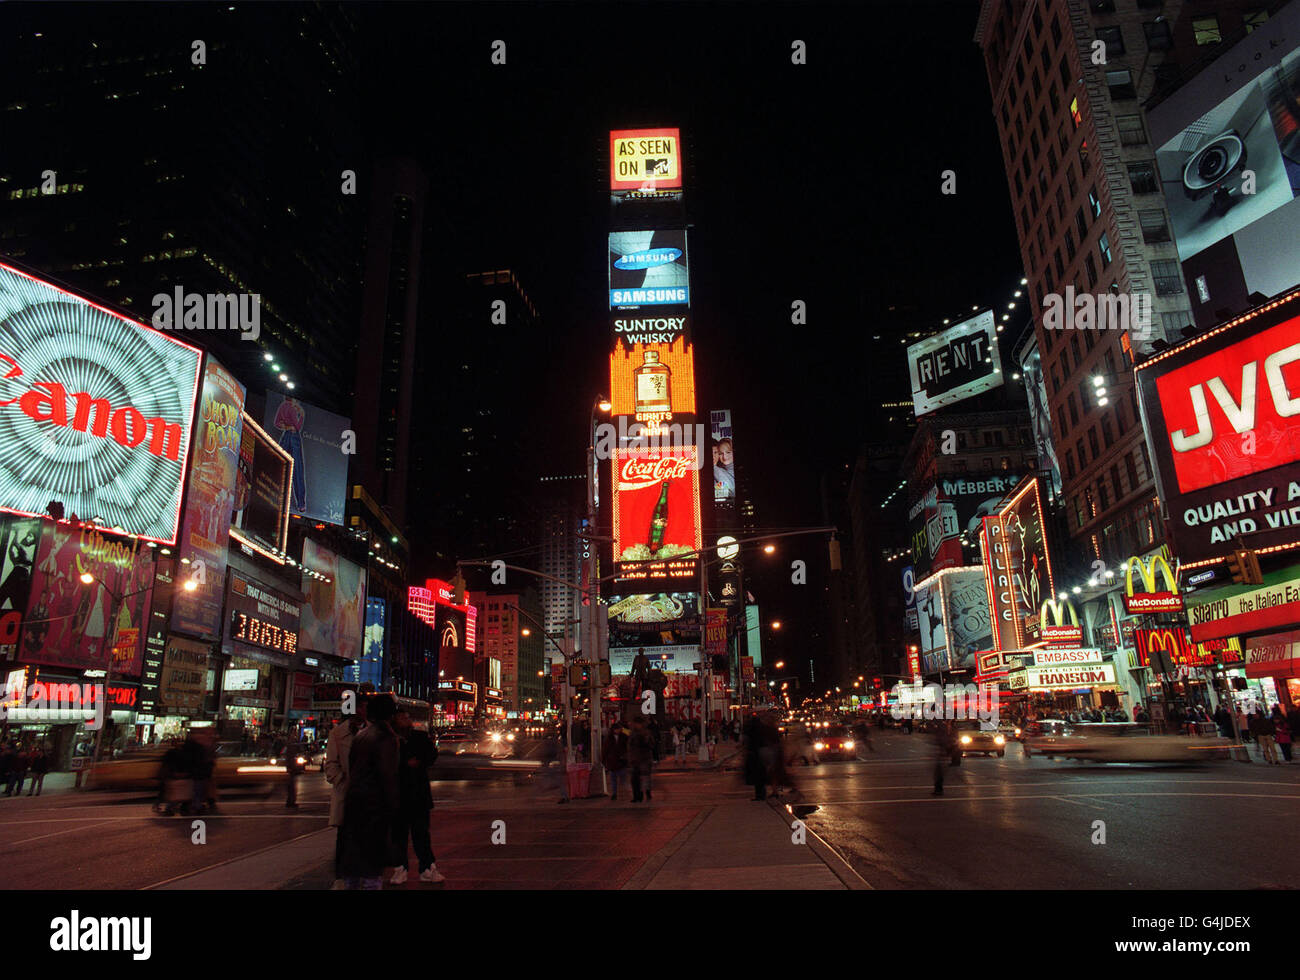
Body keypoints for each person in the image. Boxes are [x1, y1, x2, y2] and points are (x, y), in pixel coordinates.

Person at [339, 694, 401, 890]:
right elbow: (387, 775)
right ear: (390, 715)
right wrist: (394, 806)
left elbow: (352, 767)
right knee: (372, 867)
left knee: (355, 864)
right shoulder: (386, 737)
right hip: (374, 807)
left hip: (354, 803)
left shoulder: (362, 735)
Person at [390, 708, 444, 884]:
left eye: (407, 717)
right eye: (402, 717)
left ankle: (427, 868)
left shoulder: (419, 737)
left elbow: (432, 755)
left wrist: (418, 761)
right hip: (398, 796)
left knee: (421, 835)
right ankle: (400, 869)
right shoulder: (391, 739)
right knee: (399, 836)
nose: (406, 719)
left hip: (418, 794)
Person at [324, 688, 371, 889]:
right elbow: (330, 765)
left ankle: (365, 874)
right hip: (348, 794)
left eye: (364, 707)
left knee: (367, 837)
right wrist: (343, 782)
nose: (361, 711)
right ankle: (341, 876)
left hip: (369, 794)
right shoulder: (337, 734)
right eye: (359, 707)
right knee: (344, 838)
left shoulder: (373, 731)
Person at [627, 715, 654, 803]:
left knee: (644, 778)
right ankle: (637, 796)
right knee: (635, 779)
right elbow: (630, 746)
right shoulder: (633, 733)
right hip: (636, 759)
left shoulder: (646, 733)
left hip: (644, 759)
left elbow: (651, 745)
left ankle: (644, 793)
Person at [604, 723, 629, 800]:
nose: (618, 730)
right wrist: (605, 761)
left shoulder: (624, 737)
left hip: (621, 761)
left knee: (623, 779)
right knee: (613, 779)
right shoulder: (609, 738)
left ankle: (623, 793)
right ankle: (614, 794)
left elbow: (627, 747)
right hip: (613, 762)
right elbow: (606, 750)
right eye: (616, 729)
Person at [283, 738, 306, 808]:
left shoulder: (288, 751)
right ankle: (290, 802)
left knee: (291, 787)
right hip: (291, 770)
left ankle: (290, 801)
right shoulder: (290, 752)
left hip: (291, 770)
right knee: (291, 787)